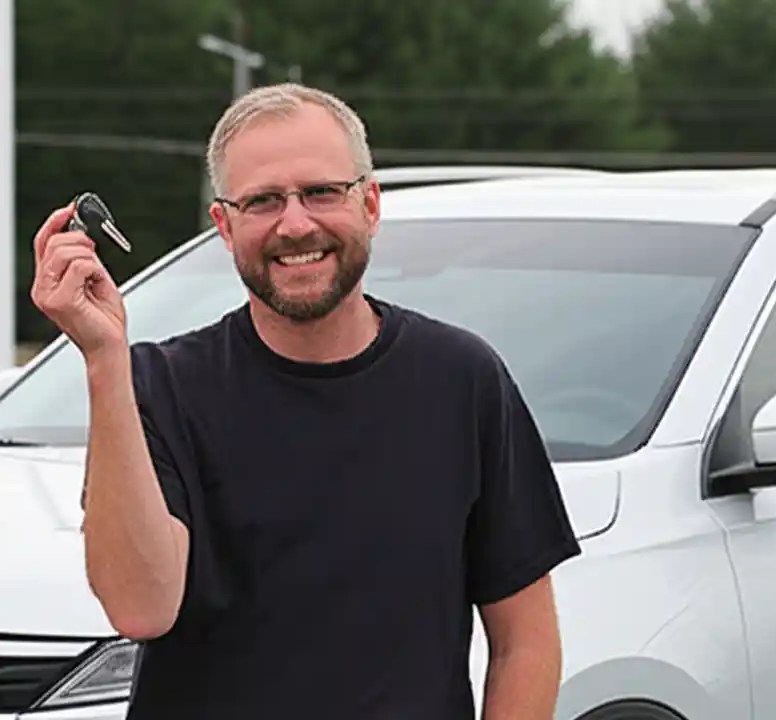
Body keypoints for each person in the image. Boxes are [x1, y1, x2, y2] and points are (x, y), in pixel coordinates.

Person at [29, 82, 581, 719]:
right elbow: (140, 607)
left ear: (370, 204)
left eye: (322, 192)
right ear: (224, 226)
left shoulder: (463, 381)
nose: (295, 224)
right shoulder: (156, 386)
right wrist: (104, 359)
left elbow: (525, 642)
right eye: (262, 201)